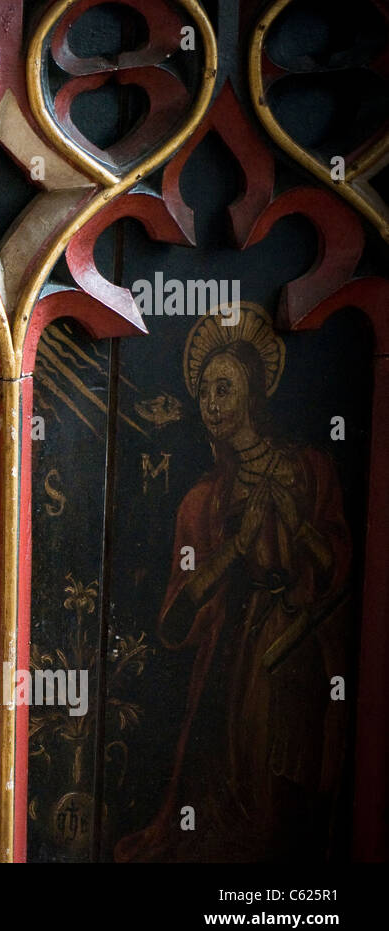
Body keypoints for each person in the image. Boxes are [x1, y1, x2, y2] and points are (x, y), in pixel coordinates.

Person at [116, 307, 352, 861]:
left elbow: (338, 572)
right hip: (232, 658)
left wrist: (295, 526)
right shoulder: (202, 499)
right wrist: (235, 550)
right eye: (204, 392)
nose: (212, 403)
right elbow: (175, 625)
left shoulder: (310, 469)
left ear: (253, 395)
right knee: (227, 809)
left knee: (282, 809)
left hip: (296, 650)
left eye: (225, 388)